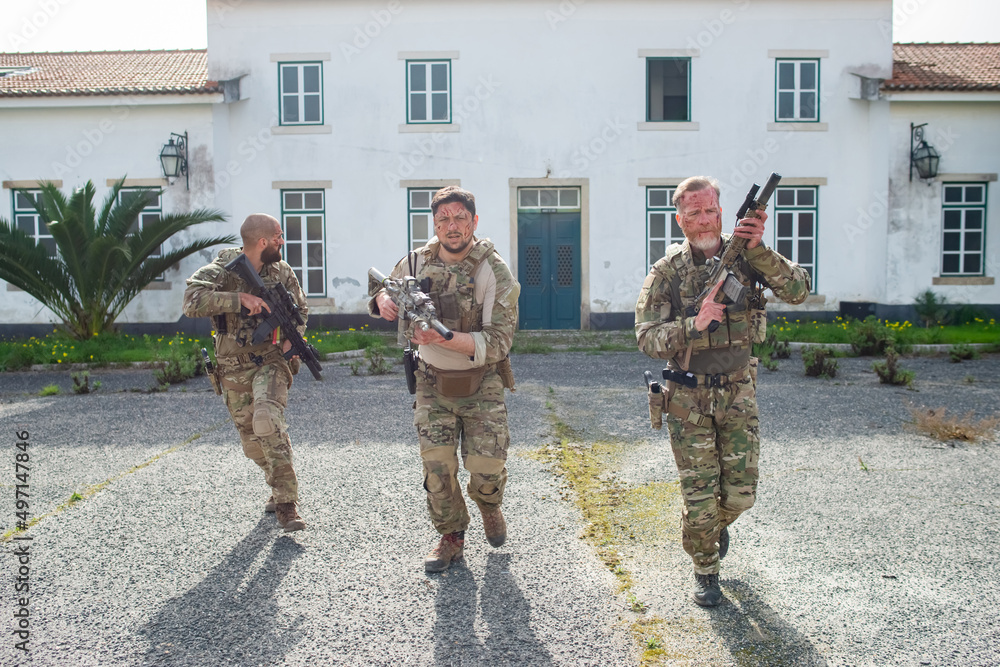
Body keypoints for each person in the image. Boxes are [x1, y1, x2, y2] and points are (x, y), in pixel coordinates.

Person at [635, 176, 810, 606]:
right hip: (687, 397)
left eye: (710, 210)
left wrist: (759, 250)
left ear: (720, 210)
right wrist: (692, 324)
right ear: (680, 220)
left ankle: (708, 529)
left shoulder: (749, 257)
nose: (703, 219)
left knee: (741, 495)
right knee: (699, 495)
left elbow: (799, 290)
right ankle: (705, 569)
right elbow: (645, 337)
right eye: (693, 212)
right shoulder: (666, 272)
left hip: (738, 392)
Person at [370, 186, 520, 573]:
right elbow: (381, 288)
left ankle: (489, 506)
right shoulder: (414, 263)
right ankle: (452, 536)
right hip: (431, 382)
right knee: (437, 468)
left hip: (481, 381)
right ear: (434, 223)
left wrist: (446, 338)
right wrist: (381, 303)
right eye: (443, 219)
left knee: (486, 469)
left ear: (474, 221)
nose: (451, 226)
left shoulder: (494, 271)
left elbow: (500, 342)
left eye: (459, 218)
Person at [183, 214, 308, 532]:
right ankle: (275, 480)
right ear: (263, 241)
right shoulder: (222, 269)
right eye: (278, 236)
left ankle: (286, 503)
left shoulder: (282, 271)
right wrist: (239, 300)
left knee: (267, 421)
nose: (283, 242)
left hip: (270, 361)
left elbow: (301, 311)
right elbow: (191, 301)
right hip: (232, 367)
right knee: (251, 443)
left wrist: (288, 334)